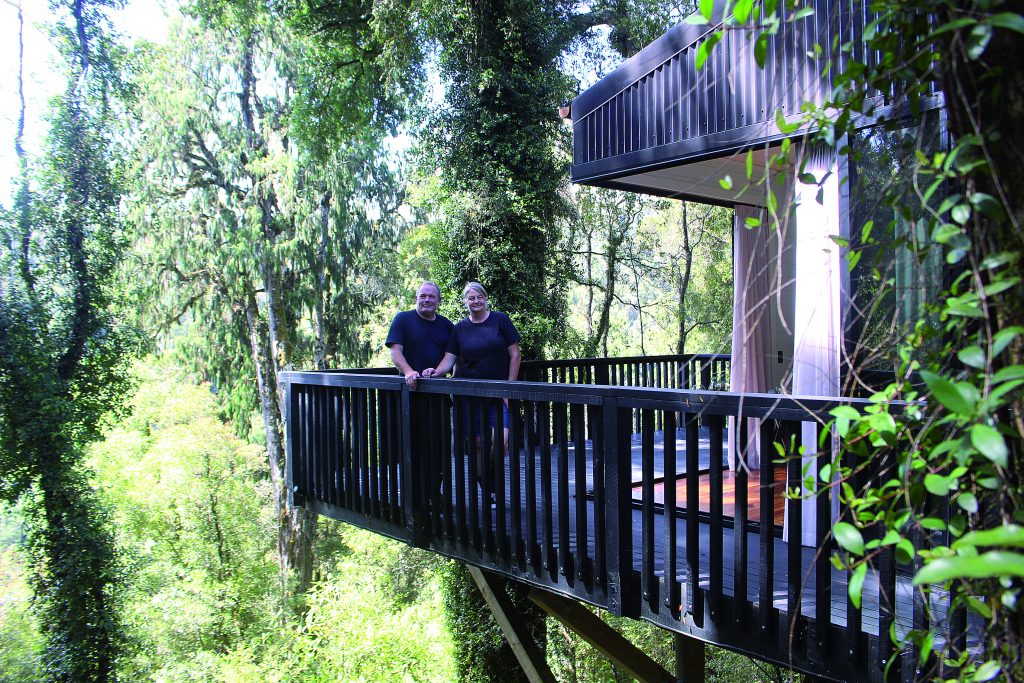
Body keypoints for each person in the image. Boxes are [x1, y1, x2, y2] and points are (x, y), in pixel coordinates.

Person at [423, 282, 521, 491]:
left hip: (498, 393)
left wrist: (509, 388)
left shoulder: (500, 320)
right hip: (469, 396)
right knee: (476, 445)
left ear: (485, 299)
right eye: (471, 298)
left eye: (479, 297)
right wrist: (436, 371)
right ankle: (489, 488)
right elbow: (449, 359)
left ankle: (490, 471)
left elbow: (515, 354)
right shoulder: (459, 329)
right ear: (465, 301)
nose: (475, 301)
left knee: (501, 441)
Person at [385, 281, 454, 389]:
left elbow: (450, 356)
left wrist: (437, 372)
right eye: (423, 296)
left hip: (438, 390)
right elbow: (395, 351)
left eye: (431, 296)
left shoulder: (446, 325)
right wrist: (408, 372)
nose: (427, 300)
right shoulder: (402, 319)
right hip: (410, 389)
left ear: (439, 300)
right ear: (416, 298)